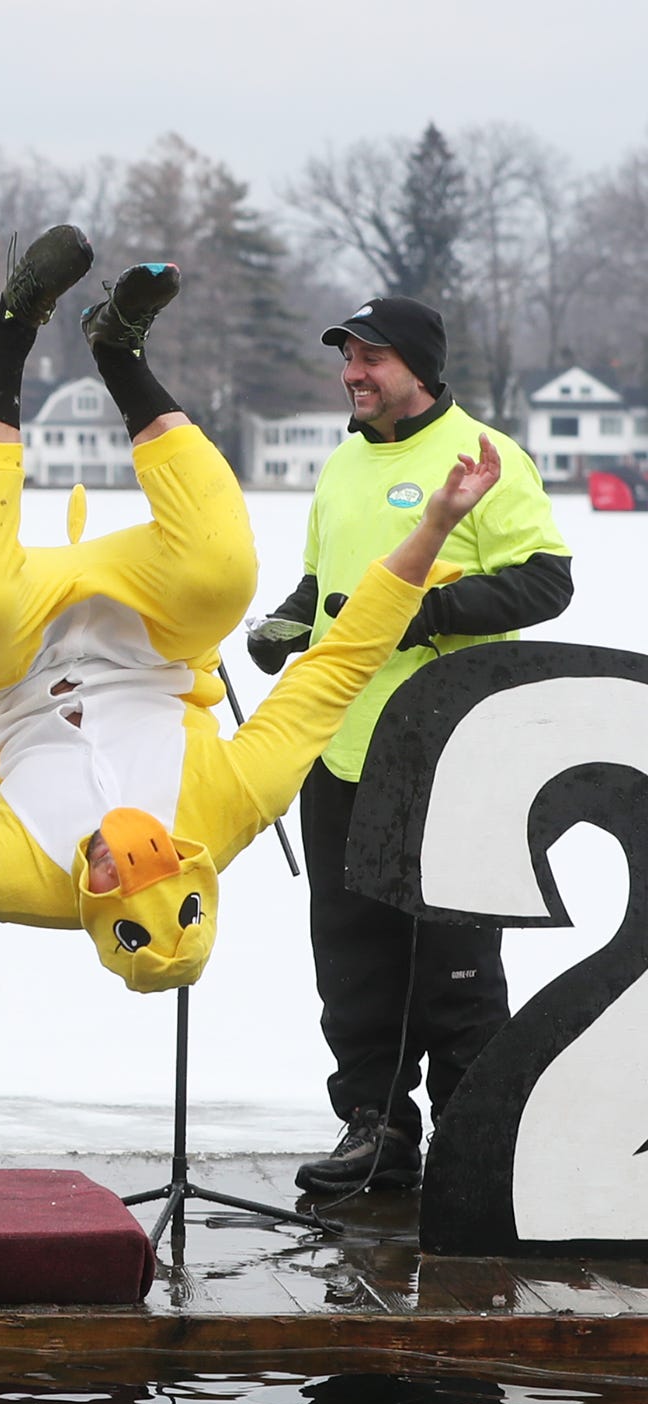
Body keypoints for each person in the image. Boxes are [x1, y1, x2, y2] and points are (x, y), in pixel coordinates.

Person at [0, 228, 498, 998]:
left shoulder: (3, 883)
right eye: (141, 861)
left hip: (16, 670)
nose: (110, 865)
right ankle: (119, 352)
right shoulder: (231, 807)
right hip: (150, 633)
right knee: (226, 576)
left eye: (106, 881)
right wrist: (434, 529)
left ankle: (11, 331)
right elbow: (339, 665)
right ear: (181, 857)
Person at [245, 296, 572, 1194]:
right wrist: (284, 622)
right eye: (347, 358)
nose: (353, 374)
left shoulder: (486, 457)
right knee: (353, 954)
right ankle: (377, 1129)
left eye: (370, 359)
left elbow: (546, 584)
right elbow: (324, 583)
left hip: (453, 749)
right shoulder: (342, 466)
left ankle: (473, 1143)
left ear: (417, 368)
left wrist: (424, 614)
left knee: (453, 959)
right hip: (341, 747)